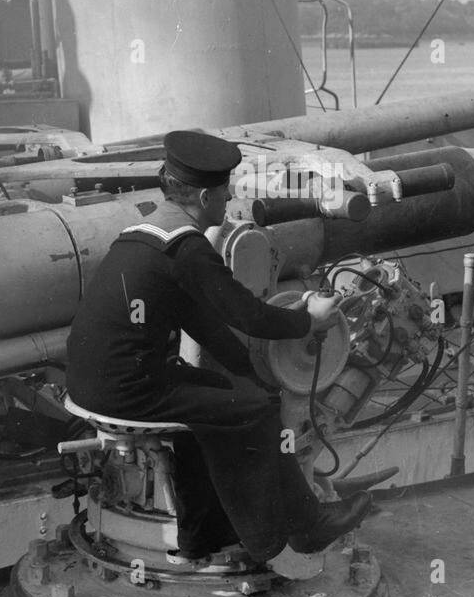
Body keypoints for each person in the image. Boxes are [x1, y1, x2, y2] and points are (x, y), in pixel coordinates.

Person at [64, 130, 373, 564]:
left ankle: (202, 536)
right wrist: (309, 319)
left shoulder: (144, 233)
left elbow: (199, 318)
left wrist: (248, 371)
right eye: (225, 195)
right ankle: (284, 534)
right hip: (127, 390)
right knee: (254, 413)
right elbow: (247, 314)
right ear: (206, 197)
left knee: (221, 401)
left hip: (92, 382)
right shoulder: (187, 247)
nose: (228, 203)